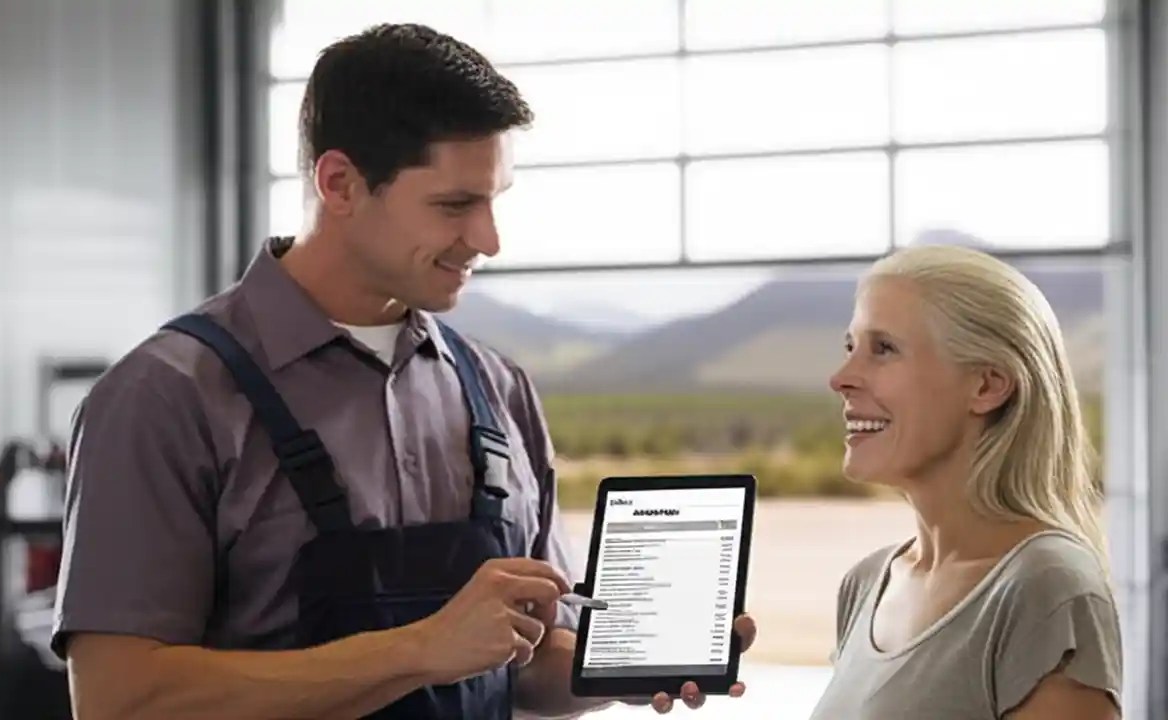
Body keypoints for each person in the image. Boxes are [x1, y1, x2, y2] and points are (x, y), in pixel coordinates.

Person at [50, 22, 755, 719]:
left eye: (494, 200)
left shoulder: (498, 390)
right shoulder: (165, 399)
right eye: (454, 205)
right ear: (340, 183)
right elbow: (121, 699)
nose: (489, 240)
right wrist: (418, 648)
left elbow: (530, 659)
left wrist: (628, 667)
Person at [809, 244, 1122, 719]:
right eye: (851, 347)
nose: (842, 378)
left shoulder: (1047, 587)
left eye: (884, 349)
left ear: (987, 386)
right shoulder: (867, 583)